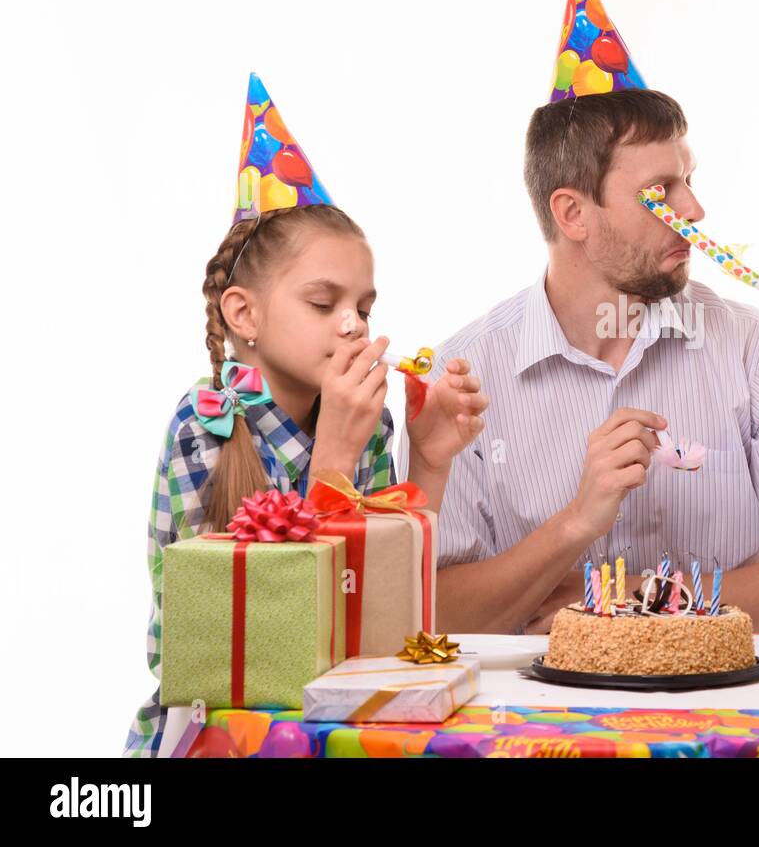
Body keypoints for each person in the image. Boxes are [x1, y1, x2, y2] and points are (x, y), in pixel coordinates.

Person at [397, 0, 759, 636]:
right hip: (539, 732)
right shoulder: (465, 377)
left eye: (689, 180)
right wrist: (575, 524)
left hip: (727, 726)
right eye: (661, 191)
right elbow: (433, 614)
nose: (693, 209)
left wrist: (660, 597)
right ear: (573, 214)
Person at [124, 74, 488, 756]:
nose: (353, 325)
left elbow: (384, 620)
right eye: (324, 304)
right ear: (245, 314)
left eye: (365, 307)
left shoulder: (367, 421)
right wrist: (333, 463)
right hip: (226, 733)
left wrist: (430, 460)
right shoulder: (204, 427)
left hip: (336, 726)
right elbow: (251, 656)